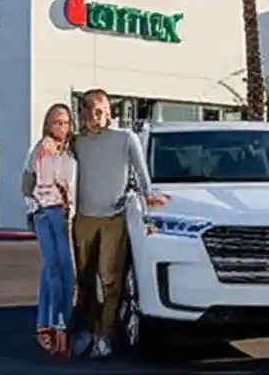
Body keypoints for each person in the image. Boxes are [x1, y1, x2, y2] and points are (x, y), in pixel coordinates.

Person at [68, 89, 169, 359]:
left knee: (111, 280)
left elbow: (140, 171)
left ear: (109, 111)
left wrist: (149, 197)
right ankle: (88, 329)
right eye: (88, 110)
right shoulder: (76, 143)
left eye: (98, 110)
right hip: (83, 220)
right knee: (85, 280)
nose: (93, 115)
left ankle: (105, 334)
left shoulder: (126, 138)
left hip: (114, 218)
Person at [22, 103, 78, 359]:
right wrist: (35, 211)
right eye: (57, 122)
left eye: (65, 122)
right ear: (48, 124)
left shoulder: (70, 151)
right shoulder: (42, 148)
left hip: (65, 214)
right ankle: (54, 325)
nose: (62, 127)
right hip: (46, 212)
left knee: (58, 270)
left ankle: (51, 323)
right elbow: (27, 183)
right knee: (56, 267)